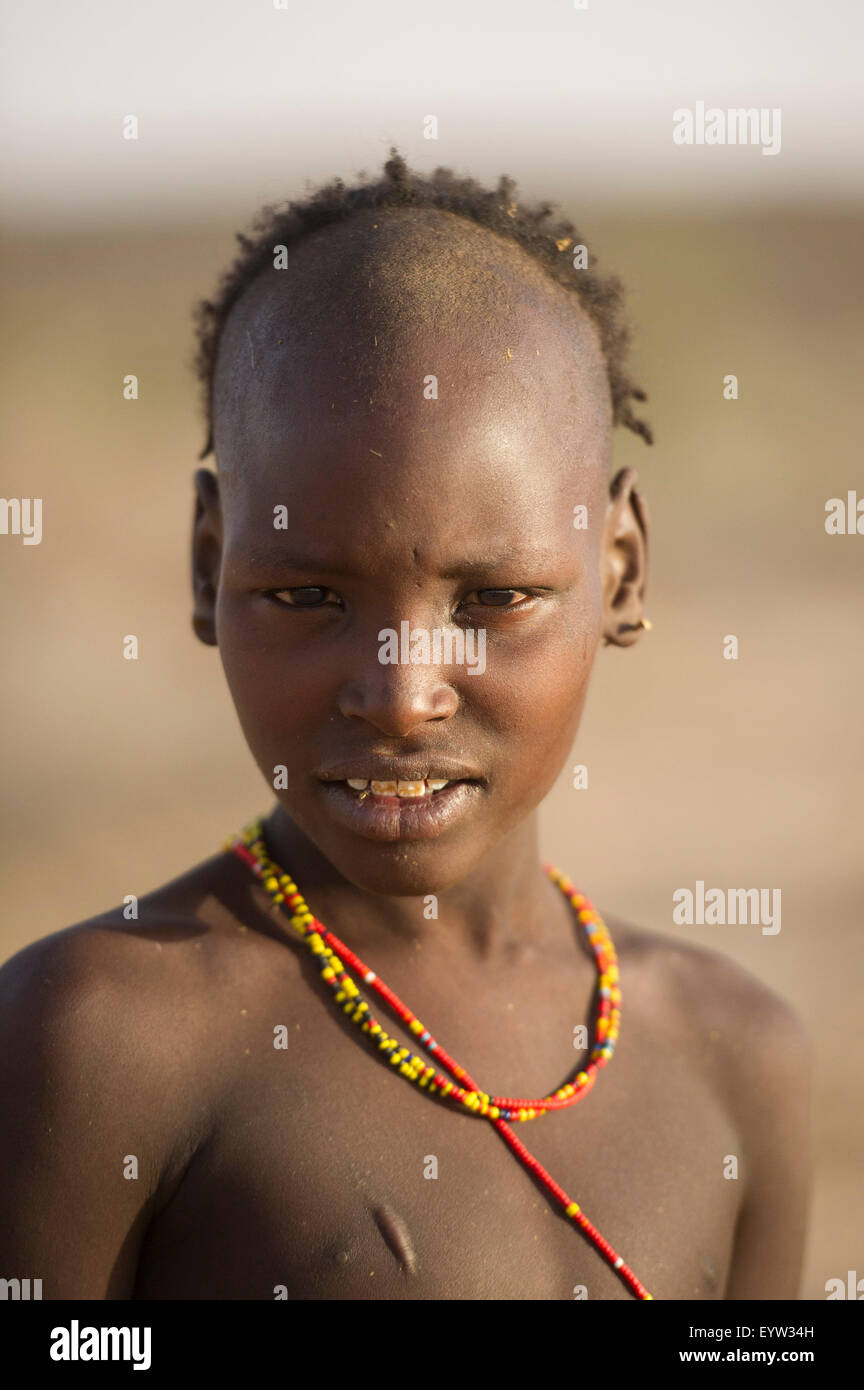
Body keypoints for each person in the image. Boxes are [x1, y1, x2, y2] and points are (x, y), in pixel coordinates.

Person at [0, 153, 810, 1300]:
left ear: (620, 569)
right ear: (206, 561)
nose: (398, 693)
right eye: (306, 596)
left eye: (494, 599)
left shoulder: (738, 1056)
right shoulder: (93, 1042)